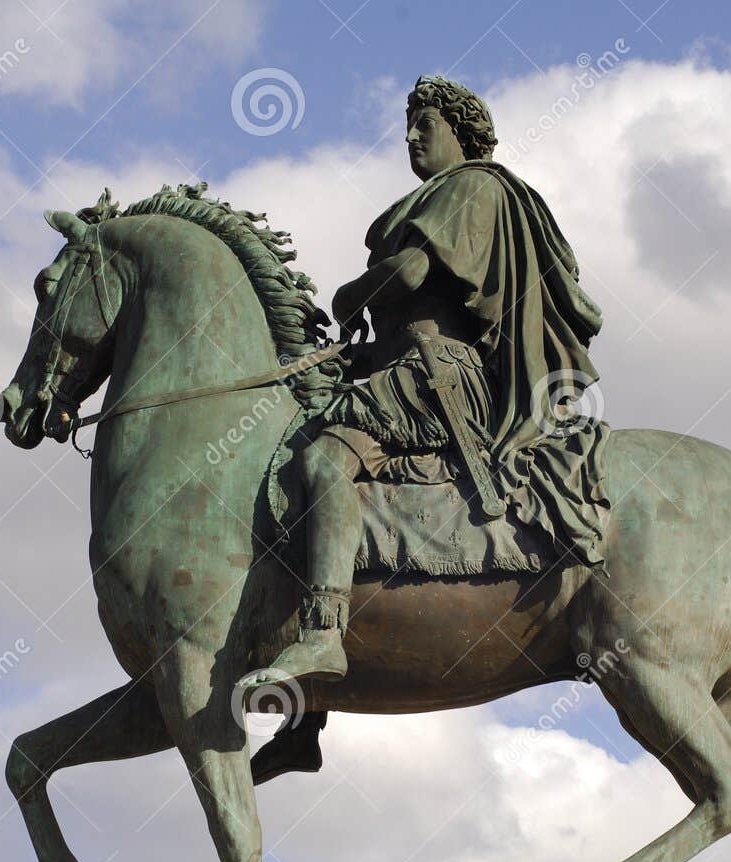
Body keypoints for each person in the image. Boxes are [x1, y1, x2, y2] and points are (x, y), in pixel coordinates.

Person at [244, 75, 608, 777]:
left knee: (322, 463)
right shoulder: (440, 193)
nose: (412, 138)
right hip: (398, 367)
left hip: (441, 376)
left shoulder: (476, 185)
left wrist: (355, 292)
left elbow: (413, 270)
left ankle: (322, 637)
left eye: (425, 126)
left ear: (461, 133)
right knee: (292, 479)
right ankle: (303, 717)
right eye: (408, 127)